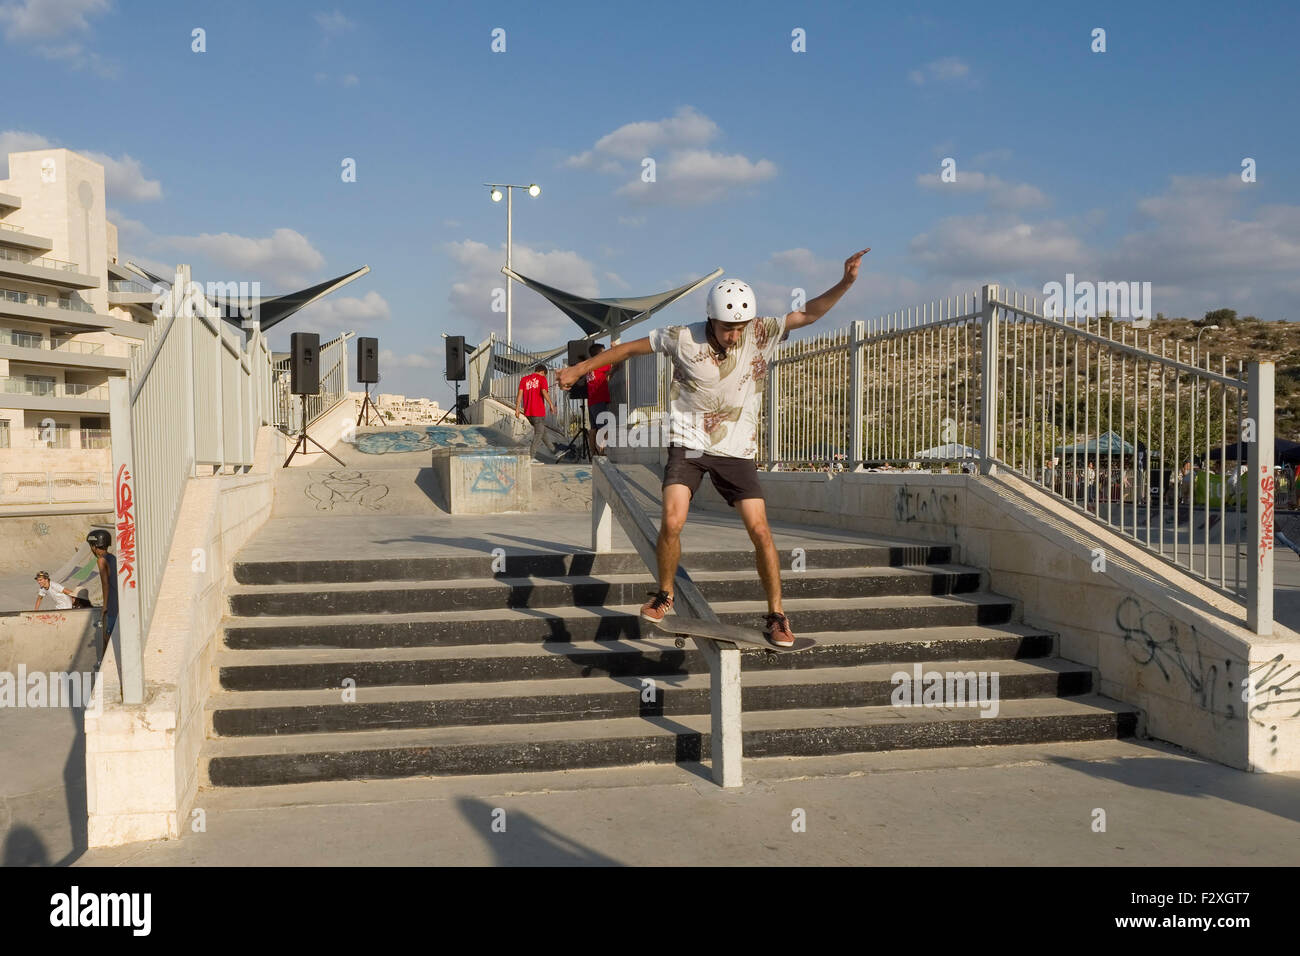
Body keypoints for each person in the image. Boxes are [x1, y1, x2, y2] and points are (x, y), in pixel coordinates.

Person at [559, 248, 870, 647]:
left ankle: (777, 616)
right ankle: (665, 594)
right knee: (672, 520)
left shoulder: (761, 331)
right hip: (688, 444)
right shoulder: (682, 337)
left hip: (737, 451)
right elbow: (627, 349)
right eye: (727, 328)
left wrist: (845, 282)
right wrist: (579, 369)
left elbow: (807, 314)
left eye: (740, 327)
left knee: (761, 531)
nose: (735, 336)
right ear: (711, 319)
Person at [514, 362, 556, 461]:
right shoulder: (542, 379)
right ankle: (531, 457)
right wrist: (551, 404)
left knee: (542, 432)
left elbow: (520, 394)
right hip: (538, 412)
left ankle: (554, 451)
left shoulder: (524, 379)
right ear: (542, 372)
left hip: (528, 413)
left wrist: (517, 409)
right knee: (539, 434)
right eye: (544, 374)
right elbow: (544, 392)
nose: (544, 376)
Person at [87, 529, 118, 651]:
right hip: (118, 601)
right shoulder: (112, 557)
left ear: (94, 546)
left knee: (108, 639)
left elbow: (105, 584)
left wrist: (104, 606)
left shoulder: (101, 560)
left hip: (112, 603)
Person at [585, 343, 612, 457]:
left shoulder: (589, 367)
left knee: (593, 429)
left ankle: (593, 454)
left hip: (591, 401)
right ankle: (602, 453)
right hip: (599, 400)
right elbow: (611, 365)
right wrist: (614, 349)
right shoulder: (599, 364)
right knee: (604, 428)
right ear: (599, 354)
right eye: (603, 352)